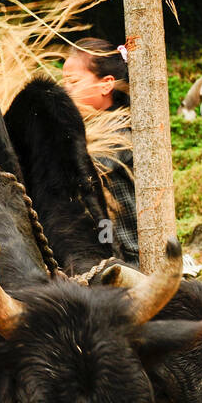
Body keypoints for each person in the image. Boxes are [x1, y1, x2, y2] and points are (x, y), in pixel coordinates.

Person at [61, 37, 140, 268]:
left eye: (73, 81)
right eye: (63, 81)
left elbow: (77, 175)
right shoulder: (87, 129)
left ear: (106, 84)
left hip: (132, 260)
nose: (65, 89)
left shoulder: (119, 133)